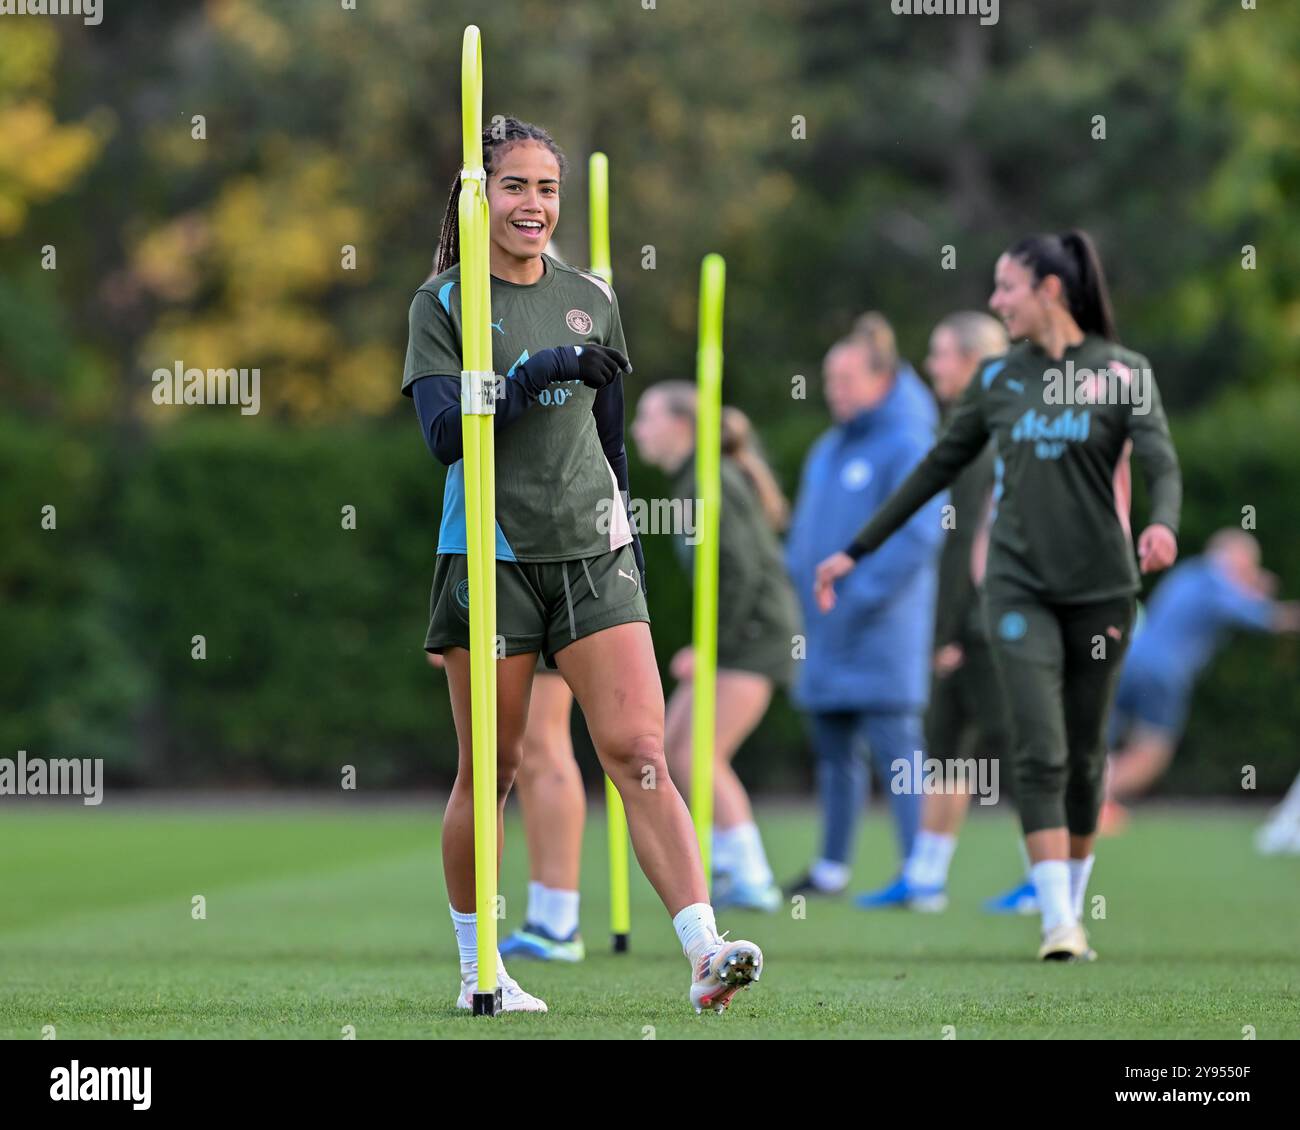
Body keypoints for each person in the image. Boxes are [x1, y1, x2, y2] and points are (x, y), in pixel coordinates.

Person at [404, 117, 763, 1012]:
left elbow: (610, 437)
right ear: (479, 196)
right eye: (517, 187)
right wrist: (530, 374)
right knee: (490, 774)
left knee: (641, 751)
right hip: (488, 556)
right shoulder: (441, 304)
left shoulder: (592, 297)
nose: (536, 205)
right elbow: (446, 435)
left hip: (596, 554)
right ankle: (477, 970)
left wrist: (629, 532)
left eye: (547, 188)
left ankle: (703, 951)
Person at [815, 230, 1182, 961]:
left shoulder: (1122, 372)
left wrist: (1163, 526)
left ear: (1050, 290)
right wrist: (854, 550)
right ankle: (1058, 923)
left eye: (1006, 287)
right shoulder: (998, 382)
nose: (994, 301)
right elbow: (931, 472)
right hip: (1016, 589)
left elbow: (1164, 465)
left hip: (1103, 590)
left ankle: (1070, 902)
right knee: (1040, 749)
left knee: (1083, 756)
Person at [857, 311, 1016, 911]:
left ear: (973, 361)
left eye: (941, 353)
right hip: (974, 620)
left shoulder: (992, 432)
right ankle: (925, 875)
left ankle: (1049, 881)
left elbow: (969, 537)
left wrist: (947, 627)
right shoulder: (979, 426)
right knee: (949, 746)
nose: (930, 367)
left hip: (992, 620)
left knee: (1024, 746)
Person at [783, 315, 946, 899]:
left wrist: (857, 599)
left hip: (883, 632)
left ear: (881, 379)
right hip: (824, 628)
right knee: (831, 749)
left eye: (846, 378)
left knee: (897, 751)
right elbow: (803, 534)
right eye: (829, 378)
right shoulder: (829, 447)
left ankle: (919, 875)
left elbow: (919, 537)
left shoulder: (907, 443)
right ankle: (832, 867)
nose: (835, 390)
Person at [632, 387, 802, 911]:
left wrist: (710, 647)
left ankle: (752, 878)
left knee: (700, 753)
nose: (637, 429)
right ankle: (731, 868)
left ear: (682, 425)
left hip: (755, 636)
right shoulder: (692, 481)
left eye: (647, 416)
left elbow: (744, 571)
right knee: (676, 749)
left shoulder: (711, 481)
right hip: (738, 635)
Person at [1102, 529, 1300, 829]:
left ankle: (1087, 797)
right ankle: (1093, 800)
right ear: (1234, 558)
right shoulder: (1217, 578)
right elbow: (1259, 618)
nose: (1252, 573)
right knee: (1152, 753)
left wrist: (1250, 591)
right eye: (1250, 566)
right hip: (1164, 672)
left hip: (1129, 660)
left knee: (1106, 741)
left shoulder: (1189, 572)